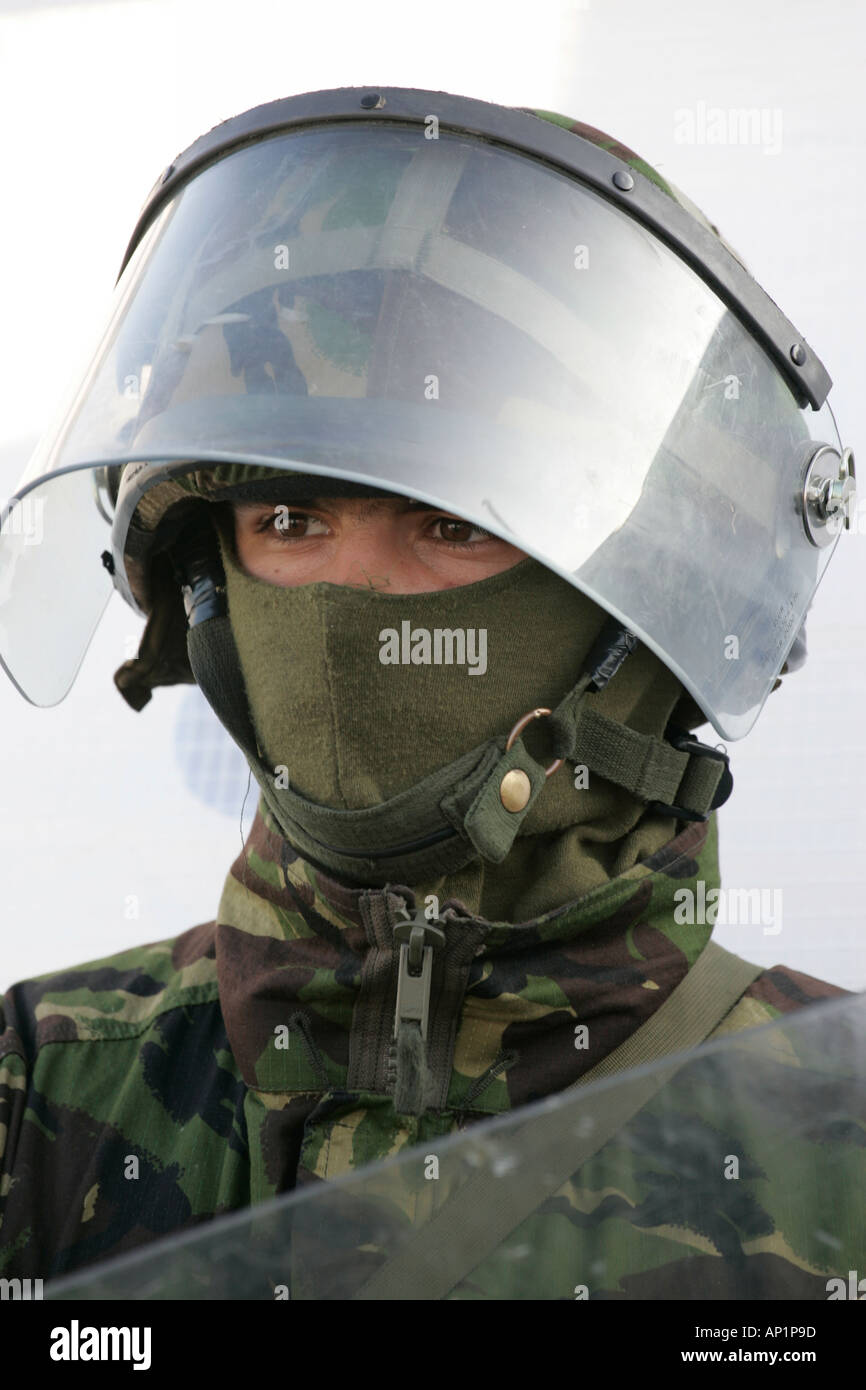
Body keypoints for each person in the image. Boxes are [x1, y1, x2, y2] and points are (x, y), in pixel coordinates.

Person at [0, 86, 856, 1295]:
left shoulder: (835, 1131)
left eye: (450, 525)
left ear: (642, 614)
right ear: (204, 590)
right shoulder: (43, 1088)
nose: (357, 599)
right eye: (290, 519)